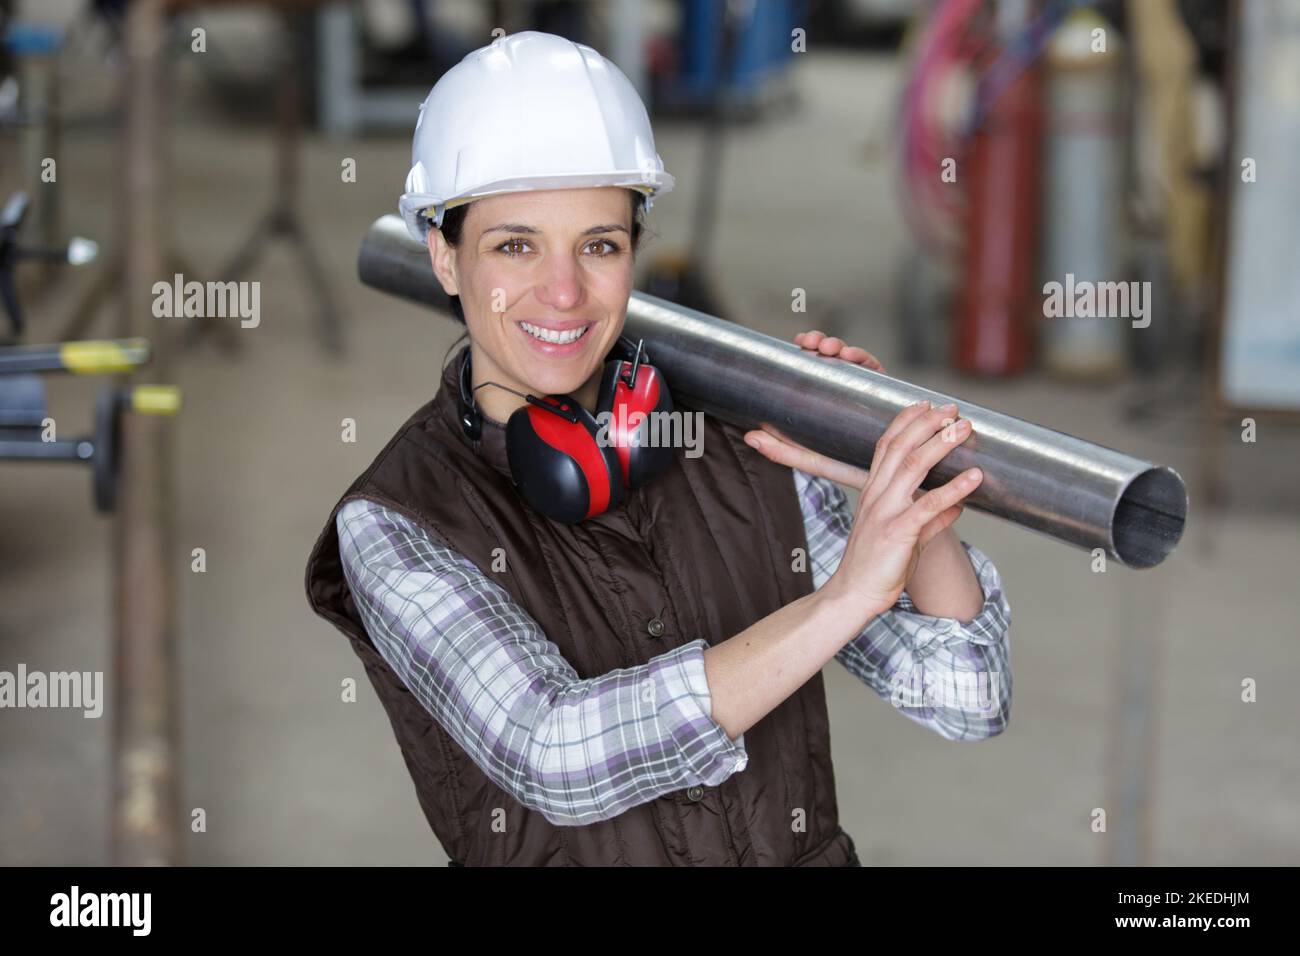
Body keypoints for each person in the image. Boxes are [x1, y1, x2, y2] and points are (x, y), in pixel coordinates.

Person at [305, 31, 1011, 867]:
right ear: (444, 256)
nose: (563, 292)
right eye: (515, 245)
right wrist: (839, 599)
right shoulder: (397, 520)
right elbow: (553, 752)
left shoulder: (742, 438)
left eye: (599, 245)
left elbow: (968, 698)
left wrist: (903, 490)